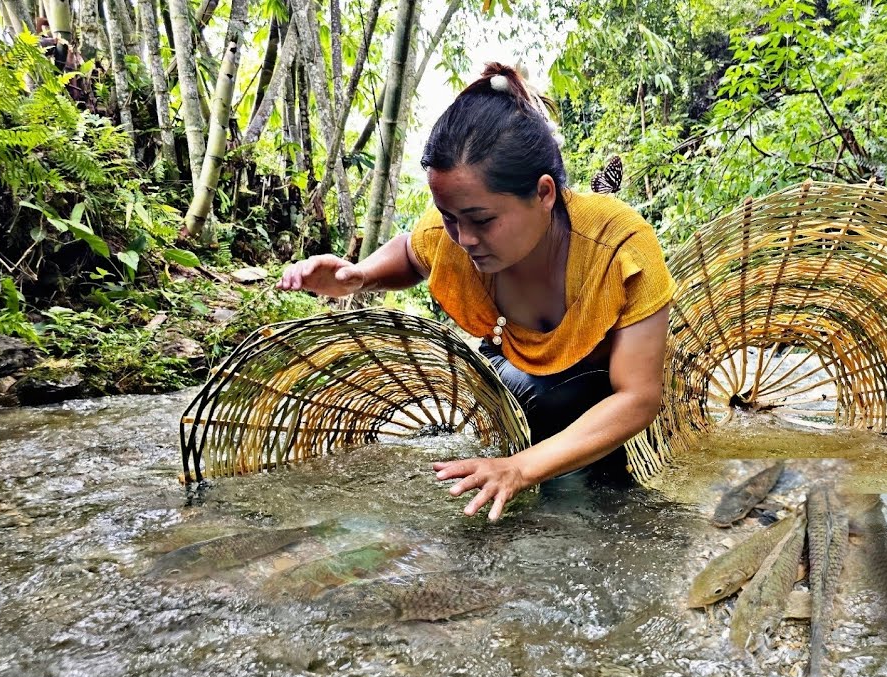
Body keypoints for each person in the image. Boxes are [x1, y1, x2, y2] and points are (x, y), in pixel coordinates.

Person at [277, 63, 676, 521]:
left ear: (544, 193)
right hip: (507, 380)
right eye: (450, 217)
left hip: (587, 403)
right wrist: (357, 276)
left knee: (594, 492)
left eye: (482, 221)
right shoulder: (453, 229)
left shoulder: (621, 247)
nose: (463, 238)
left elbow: (638, 397)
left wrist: (519, 469)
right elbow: (413, 249)